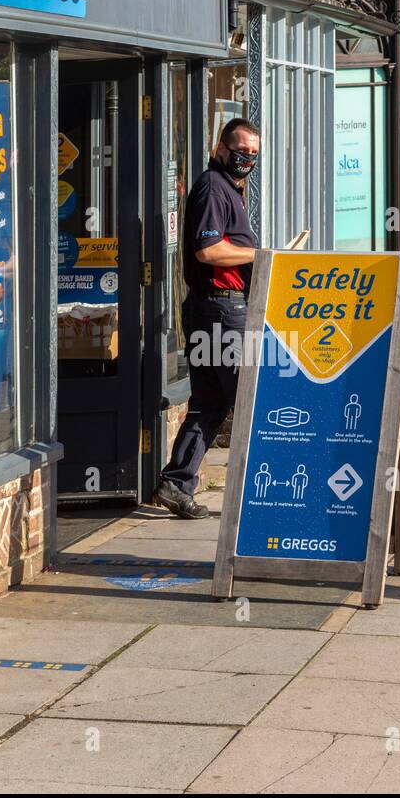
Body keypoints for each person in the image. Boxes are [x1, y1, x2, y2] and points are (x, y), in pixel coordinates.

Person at [153, 118, 260, 519]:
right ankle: (258, 494)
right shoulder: (214, 187)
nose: (246, 158)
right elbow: (209, 251)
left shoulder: (225, 187)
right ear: (220, 147)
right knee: (248, 402)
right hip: (221, 311)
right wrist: (260, 255)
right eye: (240, 150)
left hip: (211, 308)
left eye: (253, 153)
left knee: (210, 402)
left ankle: (176, 483)